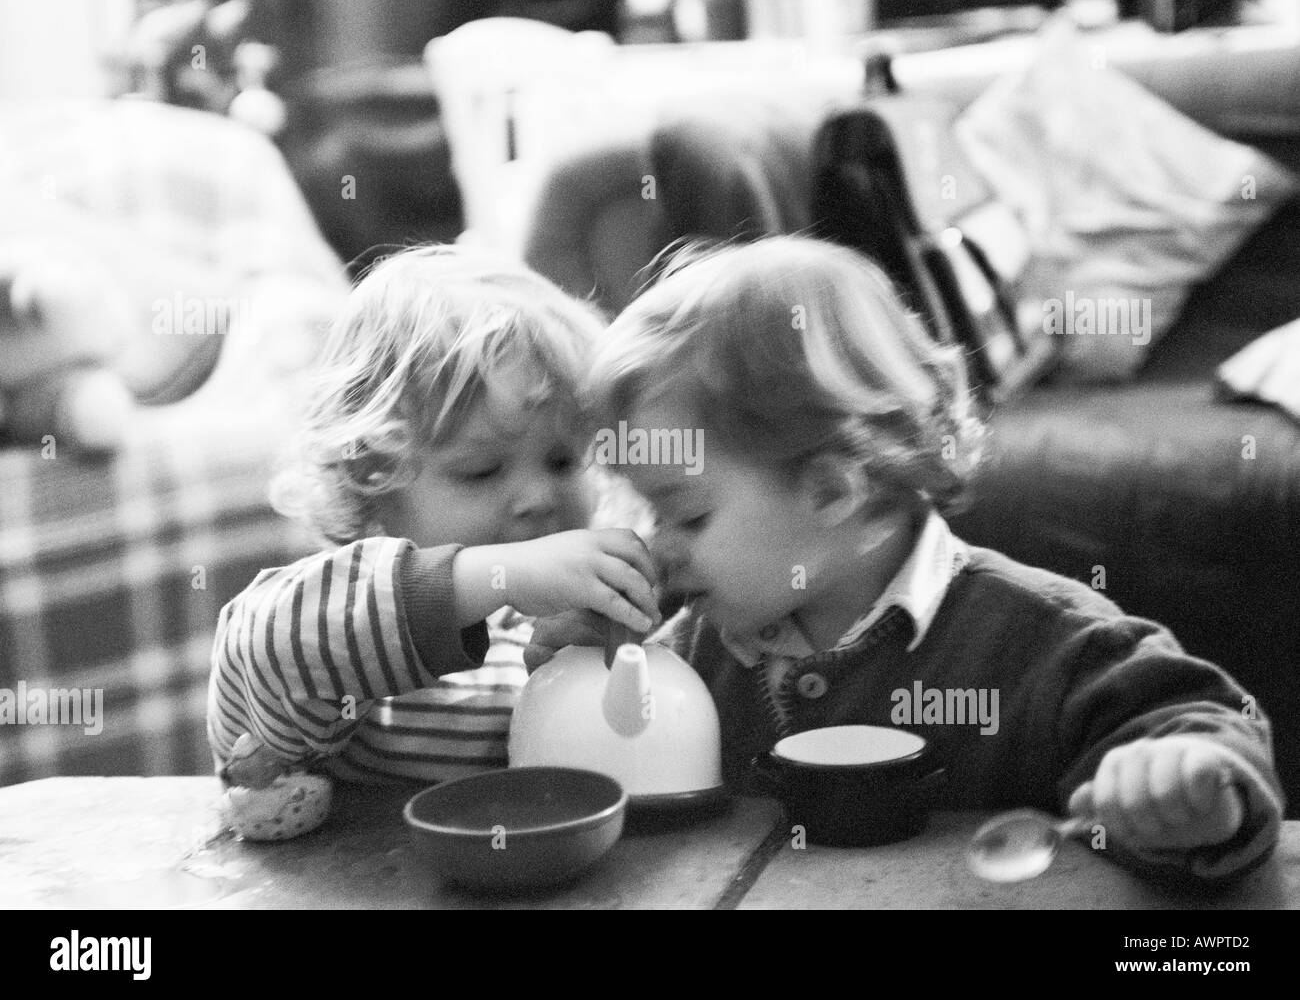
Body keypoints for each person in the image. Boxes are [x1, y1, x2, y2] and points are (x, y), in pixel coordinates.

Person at [528, 236, 1284, 882]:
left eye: (684, 512)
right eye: (643, 510)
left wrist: (1188, 789)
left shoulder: (1047, 644)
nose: (654, 543)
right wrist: (579, 686)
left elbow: (1203, 727)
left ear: (832, 488)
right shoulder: (688, 652)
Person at [208, 245, 658, 786]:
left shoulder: (564, 627)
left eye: (563, 461)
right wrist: (499, 575)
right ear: (373, 477)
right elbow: (262, 649)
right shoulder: (345, 627)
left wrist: (582, 674)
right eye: (482, 471)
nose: (539, 496)